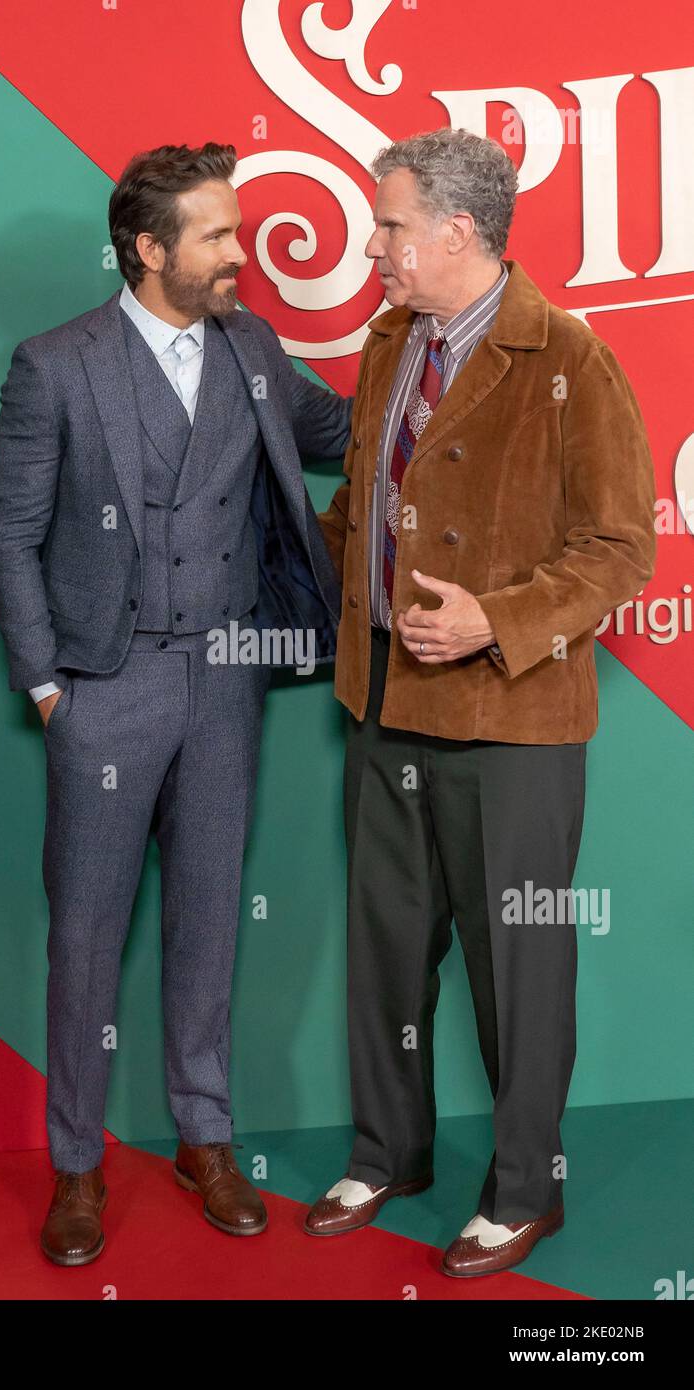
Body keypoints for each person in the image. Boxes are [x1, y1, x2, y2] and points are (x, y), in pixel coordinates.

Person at [0, 141, 352, 1265]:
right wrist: (49, 684)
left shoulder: (251, 348)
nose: (241, 253)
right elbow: (9, 531)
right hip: (105, 685)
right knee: (87, 939)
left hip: (226, 678)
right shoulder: (56, 365)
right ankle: (79, 1166)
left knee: (206, 919)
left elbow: (336, 433)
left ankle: (205, 1138)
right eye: (218, 236)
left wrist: (439, 378)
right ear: (149, 250)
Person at [306, 127, 656, 1276]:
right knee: (385, 951)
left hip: (510, 724)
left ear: (457, 230)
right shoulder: (388, 340)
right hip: (383, 705)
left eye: (390, 225)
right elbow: (359, 507)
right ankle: (387, 1149)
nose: (373, 246)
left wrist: (490, 622)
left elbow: (619, 552)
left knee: (518, 962)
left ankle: (523, 1189)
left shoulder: (566, 355)